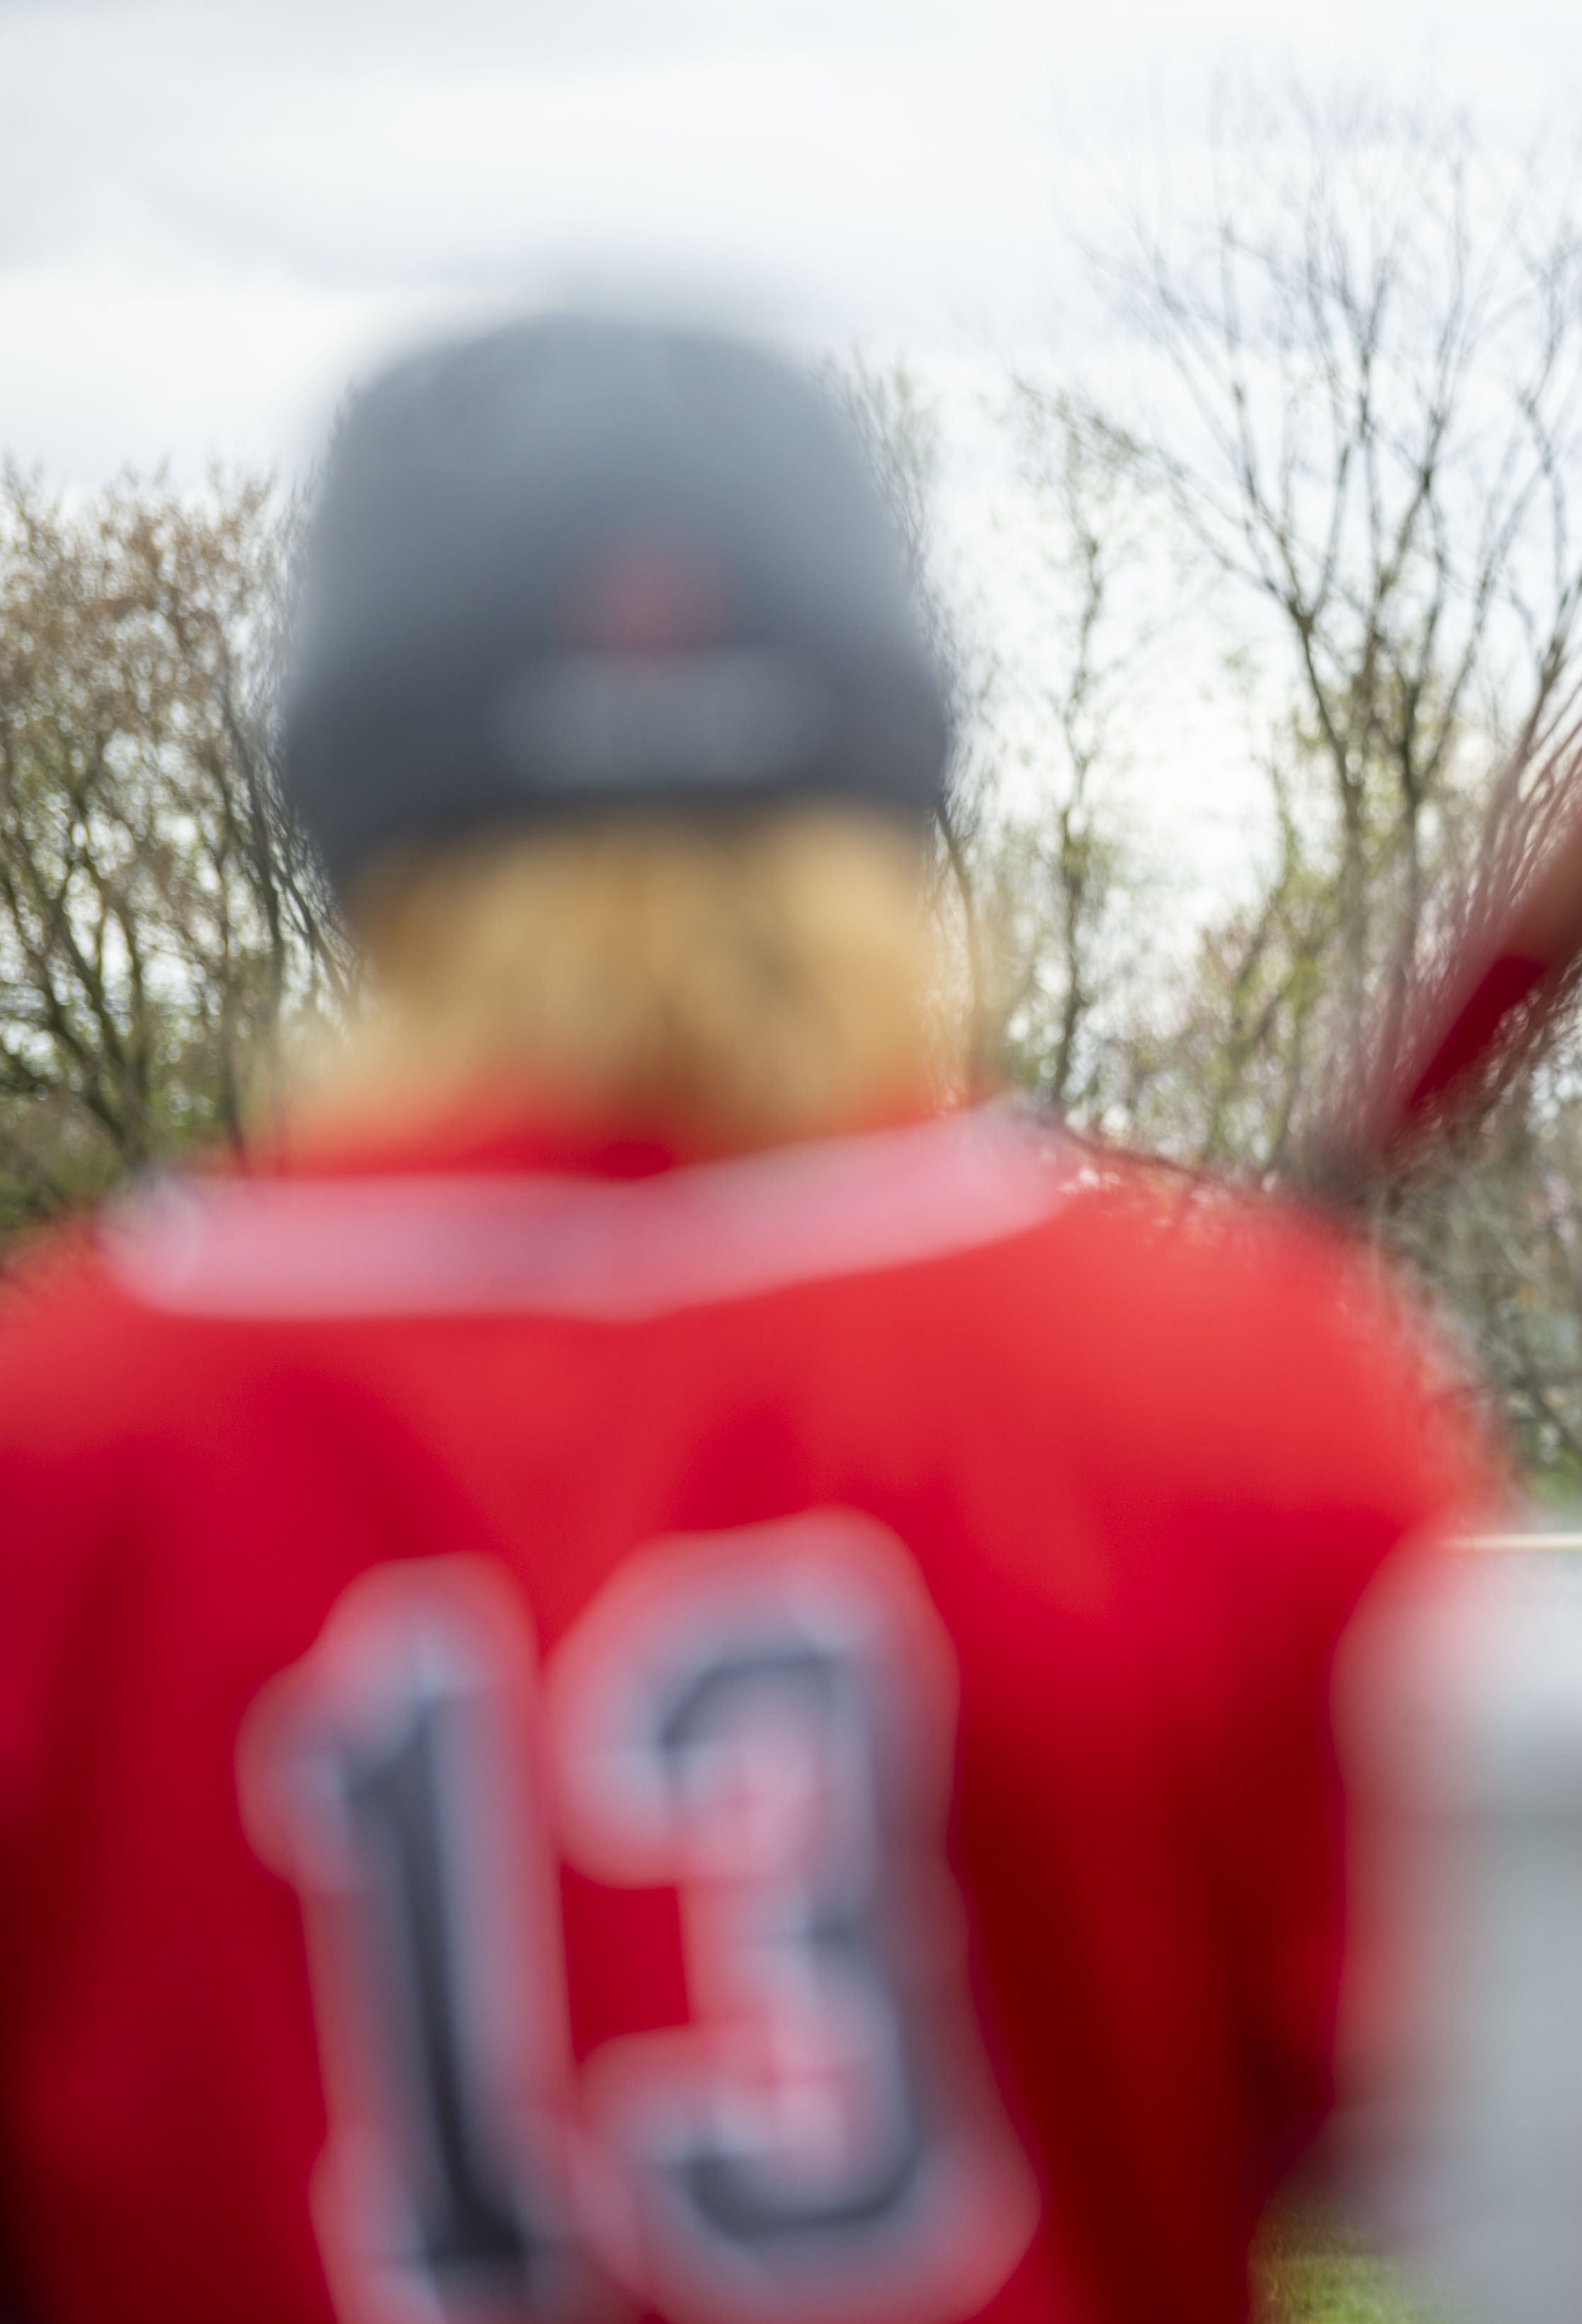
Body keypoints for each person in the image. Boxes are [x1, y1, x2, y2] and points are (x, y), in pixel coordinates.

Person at [0, 315, 1496, 2323]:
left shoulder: (62, 1430)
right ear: (894, 758)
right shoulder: (1243, 1383)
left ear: (347, 790)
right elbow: (1441, 2148)